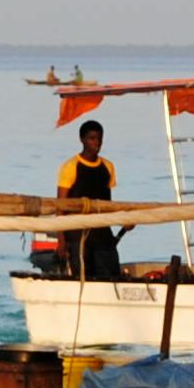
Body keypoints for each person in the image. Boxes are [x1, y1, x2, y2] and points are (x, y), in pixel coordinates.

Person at [55, 117, 122, 279]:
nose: (96, 143)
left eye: (99, 139)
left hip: (102, 230)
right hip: (77, 232)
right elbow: (61, 206)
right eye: (92, 139)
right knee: (83, 275)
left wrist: (124, 221)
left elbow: (109, 204)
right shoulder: (70, 167)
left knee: (110, 274)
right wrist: (61, 240)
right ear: (82, 140)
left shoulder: (108, 166)